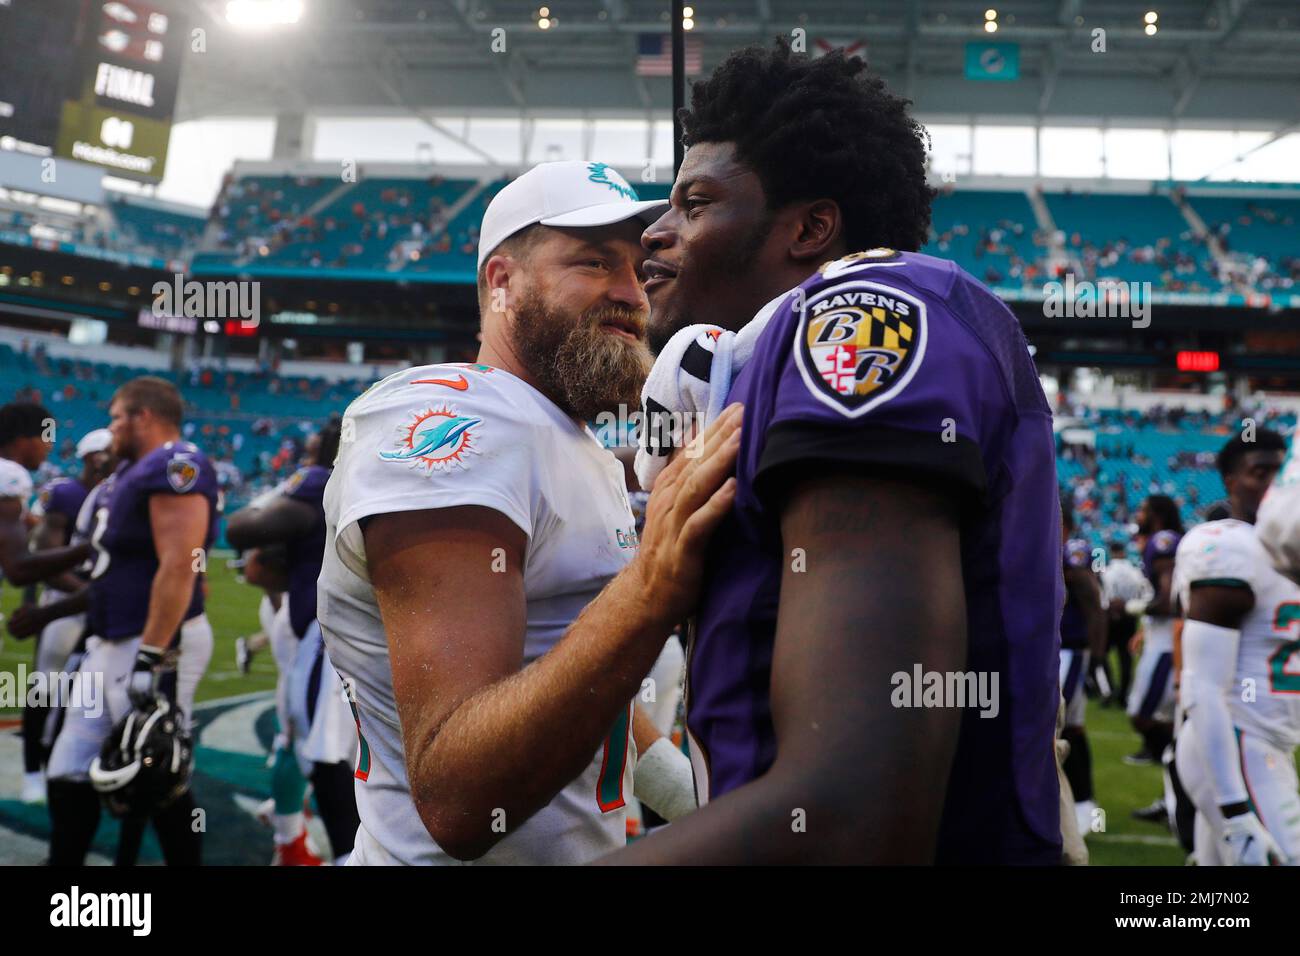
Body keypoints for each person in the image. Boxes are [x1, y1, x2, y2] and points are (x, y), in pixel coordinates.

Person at [613, 41, 1061, 863]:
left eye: (696, 203)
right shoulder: (772, 363)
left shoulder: (863, 309)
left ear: (811, 227)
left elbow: (849, 813)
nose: (657, 230)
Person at [317, 161, 716, 864]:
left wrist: (688, 798)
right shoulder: (457, 417)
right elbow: (461, 795)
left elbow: (566, 675)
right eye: (592, 263)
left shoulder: (569, 436)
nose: (631, 292)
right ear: (501, 282)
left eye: (637, 266)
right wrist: (654, 588)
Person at [42, 377, 218, 866]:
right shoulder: (130, 473)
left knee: (156, 767)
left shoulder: (176, 463)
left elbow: (181, 563)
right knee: (70, 767)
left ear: (143, 415)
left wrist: (151, 654)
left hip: (150, 639)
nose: (112, 427)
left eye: (118, 417)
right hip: (112, 638)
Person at [226, 421, 357, 864]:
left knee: (321, 751)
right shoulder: (362, 481)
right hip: (346, 629)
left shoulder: (322, 480)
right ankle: (298, 838)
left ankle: (331, 850)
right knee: (331, 749)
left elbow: (241, 531)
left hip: (328, 634)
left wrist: (270, 500)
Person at [1173, 428, 1296, 864]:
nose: (1270, 486)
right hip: (1239, 742)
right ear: (1230, 482)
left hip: (1270, 744)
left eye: (1280, 475)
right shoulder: (1228, 546)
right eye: (1258, 473)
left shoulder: (1288, 552)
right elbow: (1202, 686)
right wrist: (1234, 808)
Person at [16, 428, 114, 804]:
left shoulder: (124, 493)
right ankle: (32, 770)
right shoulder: (67, 493)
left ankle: (77, 765)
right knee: (44, 685)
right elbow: (45, 558)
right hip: (70, 599)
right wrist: (88, 594)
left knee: (91, 693)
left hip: (103, 603)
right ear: (92, 456)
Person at [1060, 503, 1106, 838]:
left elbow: (1093, 602)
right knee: (1070, 728)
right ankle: (1080, 803)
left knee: (1060, 728)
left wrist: (1097, 658)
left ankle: (1081, 805)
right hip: (1057, 651)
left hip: (1069, 652)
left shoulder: (1072, 552)